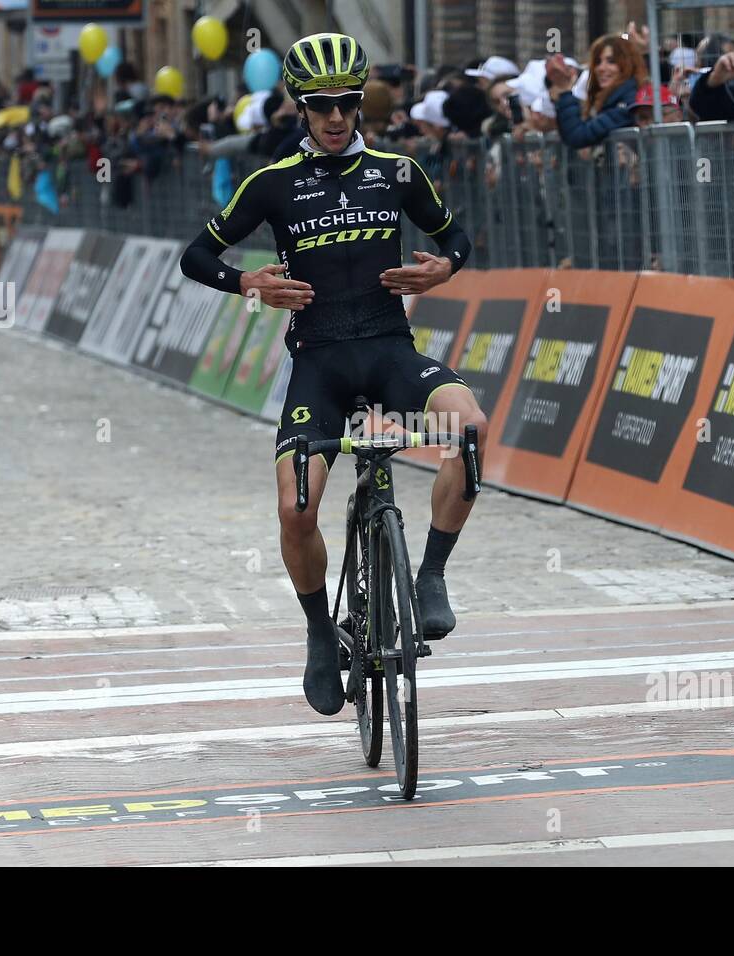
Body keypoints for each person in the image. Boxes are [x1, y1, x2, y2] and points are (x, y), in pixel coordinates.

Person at [179, 32, 487, 716]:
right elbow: (196, 256)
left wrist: (446, 266)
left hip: (389, 351)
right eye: (322, 106)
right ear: (300, 107)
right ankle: (321, 635)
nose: (338, 117)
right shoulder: (271, 183)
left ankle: (431, 577)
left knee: (469, 429)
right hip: (317, 363)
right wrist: (246, 283)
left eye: (348, 103)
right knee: (296, 506)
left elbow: (455, 236)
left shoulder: (398, 170)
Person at [547, 33, 647, 146]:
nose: (601, 68)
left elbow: (578, 136)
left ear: (628, 64)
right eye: (598, 62)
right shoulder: (606, 102)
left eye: (611, 61)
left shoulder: (629, 104)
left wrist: (565, 90)